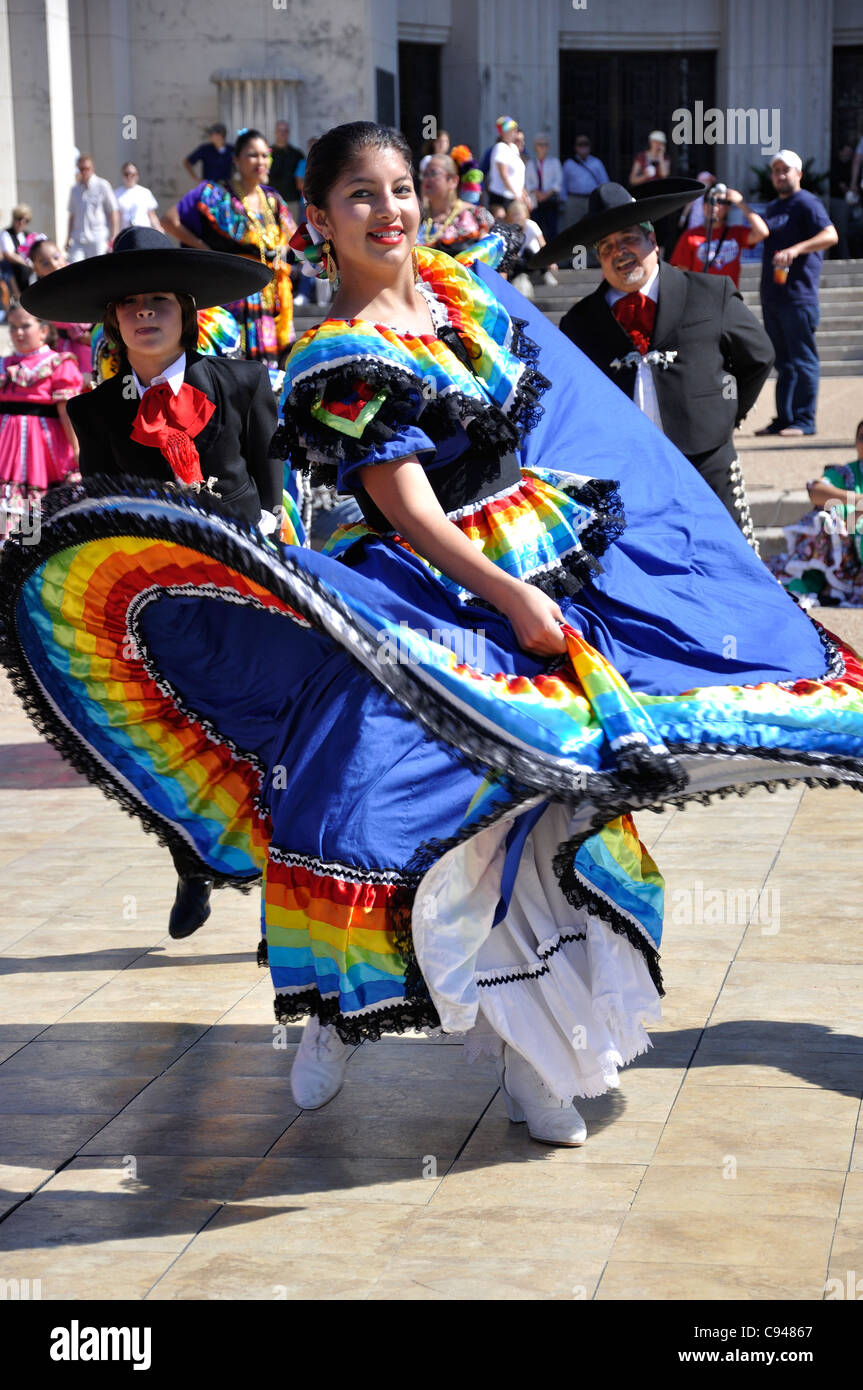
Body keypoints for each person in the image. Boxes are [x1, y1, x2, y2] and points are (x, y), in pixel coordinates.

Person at [7, 122, 863, 1156]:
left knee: (543, 815)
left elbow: (571, 419)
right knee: (375, 808)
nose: (389, 210)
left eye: (402, 187)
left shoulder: (464, 295)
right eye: (359, 196)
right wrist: (507, 598)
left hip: (545, 561)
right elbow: (406, 508)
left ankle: (532, 1062)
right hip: (428, 593)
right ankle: (330, 1009)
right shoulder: (337, 351)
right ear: (317, 218)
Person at [20, 225, 282, 936]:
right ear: (114, 319)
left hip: (249, 591)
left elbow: (268, 481)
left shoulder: (243, 382)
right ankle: (192, 865)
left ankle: (276, 906)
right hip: (161, 605)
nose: (144, 313)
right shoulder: (96, 411)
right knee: (177, 744)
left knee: (266, 743)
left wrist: (252, 530)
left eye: (158, 300)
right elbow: (105, 505)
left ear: (185, 310)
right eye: (130, 303)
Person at [546, 181, 773, 538]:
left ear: (652, 240)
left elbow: (758, 357)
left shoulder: (710, 293)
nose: (619, 252)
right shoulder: (579, 322)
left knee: (730, 574)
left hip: (708, 468)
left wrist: (725, 414)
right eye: (605, 247)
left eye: (628, 239)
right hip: (625, 478)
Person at [164, 128, 296, 366]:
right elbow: (170, 220)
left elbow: (294, 236)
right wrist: (205, 250)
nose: (261, 161)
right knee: (236, 362)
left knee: (272, 370)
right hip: (234, 292)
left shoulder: (273, 199)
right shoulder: (216, 193)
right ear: (236, 160)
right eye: (252, 155)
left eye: (265, 155)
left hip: (272, 293)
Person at [755, 150, 838, 438]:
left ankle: (805, 421)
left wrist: (796, 249)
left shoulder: (807, 202)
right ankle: (784, 419)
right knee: (783, 363)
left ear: (798, 174)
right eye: (775, 171)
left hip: (798, 296)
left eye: (785, 170)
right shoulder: (774, 208)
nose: (779, 175)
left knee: (802, 360)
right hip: (774, 295)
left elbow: (830, 235)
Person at [0, 300, 82, 541]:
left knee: (35, 519)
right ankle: (8, 562)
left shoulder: (59, 363)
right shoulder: (5, 365)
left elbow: (66, 411)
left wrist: (77, 449)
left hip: (42, 451)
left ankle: (31, 559)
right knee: (7, 511)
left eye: (25, 326)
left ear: (44, 330)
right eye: (13, 327)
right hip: (6, 450)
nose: (18, 333)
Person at [768, 419, 863, 608]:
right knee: (821, 519)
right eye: (862, 437)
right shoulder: (845, 473)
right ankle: (815, 585)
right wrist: (857, 500)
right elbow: (816, 492)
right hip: (845, 551)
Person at [670, 185, 768, 287]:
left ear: (728, 207)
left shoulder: (736, 233)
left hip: (729, 298)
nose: (714, 205)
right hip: (701, 297)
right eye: (709, 200)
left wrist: (741, 203)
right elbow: (681, 272)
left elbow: (762, 232)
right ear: (703, 205)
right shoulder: (690, 236)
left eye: (720, 202)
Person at [29, 239, 92, 379]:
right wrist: (78, 333)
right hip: (63, 345)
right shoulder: (42, 293)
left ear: (63, 255)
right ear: (36, 269)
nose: (54, 264)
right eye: (45, 263)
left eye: (56, 257)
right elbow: (54, 317)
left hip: (88, 339)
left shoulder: (78, 280)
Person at [417, 154, 494, 256]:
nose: (427, 178)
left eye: (433, 173)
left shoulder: (476, 215)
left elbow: (496, 255)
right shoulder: (418, 217)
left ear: (453, 181)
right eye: (425, 174)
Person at [67, 155, 120, 262]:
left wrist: (114, 235)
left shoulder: (102, 185)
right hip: (79, 237)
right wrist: (68, 238)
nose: (84, 171)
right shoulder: (75, 189)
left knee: (98, 269)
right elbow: (72, 215)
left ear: (92, 168)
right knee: (74, 266)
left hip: (97, 236)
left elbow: (113, 211)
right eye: (82, 169)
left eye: (87, 168)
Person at [561, 135, 609, 232]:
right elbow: (563, 184)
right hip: (573, 200)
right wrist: (565, 201)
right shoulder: (569, 164)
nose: (583, 147)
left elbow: (604, 183)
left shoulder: (597, 163)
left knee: (592, 227)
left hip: (591, 199)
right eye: (580, 145)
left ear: (589, 147)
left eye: (586, 144)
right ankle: (573, 247)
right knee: (572, 228)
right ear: (575, 147)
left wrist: (602, 201)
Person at [525, 134, 563, 243]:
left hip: (550, 201)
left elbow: (558, 181)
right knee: (537, 229)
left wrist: (547, 194)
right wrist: (537, 193)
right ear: (535, 147)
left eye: (545, 145)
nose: (543, 147)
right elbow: (528, 182)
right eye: (540, 144)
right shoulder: (531, 163)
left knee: (552, 230)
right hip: (536, 202)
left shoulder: (554, 162)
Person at [486, 116, 524, 214]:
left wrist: (523, 194)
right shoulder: (500, 147)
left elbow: (517, 176)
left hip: (514, 197)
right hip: (502, 198)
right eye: (511, 129)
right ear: (503, 132)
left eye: (515, 129)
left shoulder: (514, 148)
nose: (514, 131)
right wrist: (516, 195)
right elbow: (504, 175)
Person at [268, 121, 305, 222]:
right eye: (280, 131)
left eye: (285, 131)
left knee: (293, 235)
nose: (282, 134)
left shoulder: (297, 154)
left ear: (289, 133)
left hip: (292, 202)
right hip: (271, 201)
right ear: (275, 132)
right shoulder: (267, 153)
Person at [114, 163, 161, 231]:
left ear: (137, 176)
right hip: (125, 233)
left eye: (132, 174)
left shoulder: (145, 192)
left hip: (143, 231)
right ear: (122, 175)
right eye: (126, 174)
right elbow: (116, 217)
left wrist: (158, 229)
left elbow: (152, 215)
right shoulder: (116, 193)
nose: (129, 177)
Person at [1, 206, 34, 298]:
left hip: (26, 273)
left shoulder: (28, 235)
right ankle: (17, 296)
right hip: (12, 271)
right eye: (19, 219)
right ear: (14, 219)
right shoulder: (6, 233)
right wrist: (26, 263)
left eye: (26, 220)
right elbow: (8, 254)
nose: (21, 223)